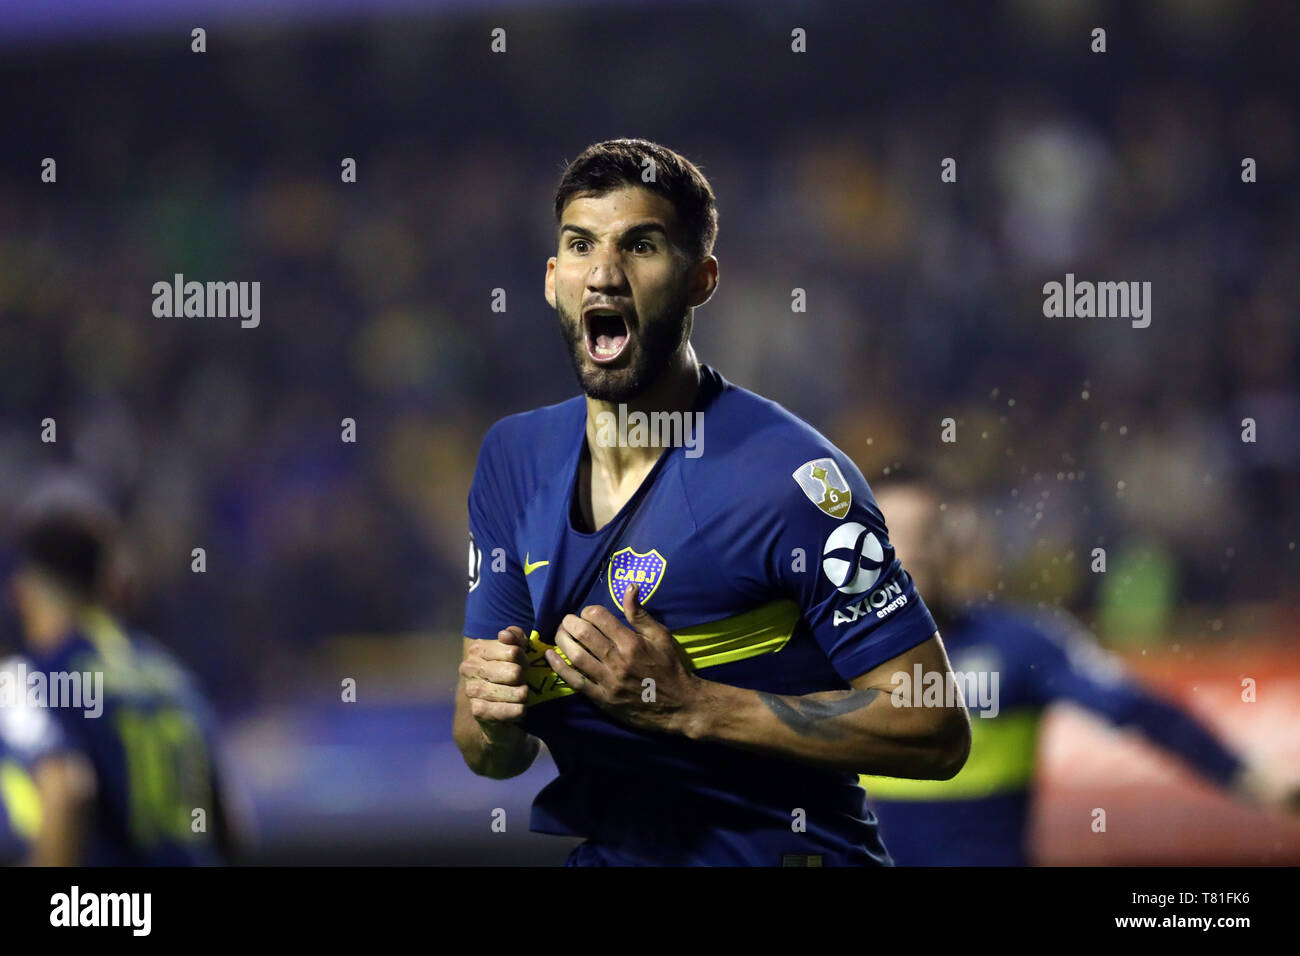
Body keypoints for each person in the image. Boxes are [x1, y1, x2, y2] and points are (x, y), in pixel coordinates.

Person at [452, 138, 970, 866]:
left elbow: (935, 726)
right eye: (580, 245)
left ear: (701, 279)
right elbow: (485, 749)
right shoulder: (512, 461)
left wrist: (694, 704)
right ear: (550, 278)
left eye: (641, 246)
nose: (603, 274)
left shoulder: (790, 481)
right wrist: (499, 720)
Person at [861, 475, 1300, 865]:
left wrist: (1251, 778)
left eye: (926, 530)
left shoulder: (1020, 643)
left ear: (954, 541)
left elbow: (1136, 708)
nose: (912, 545)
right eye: (892, 530)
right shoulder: (830, 653)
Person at [2, 479, 236, 865]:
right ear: (111, 584)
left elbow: (68, 790)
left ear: (22, 592)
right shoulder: (170, 675)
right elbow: (228, 823)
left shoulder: (25, 681)